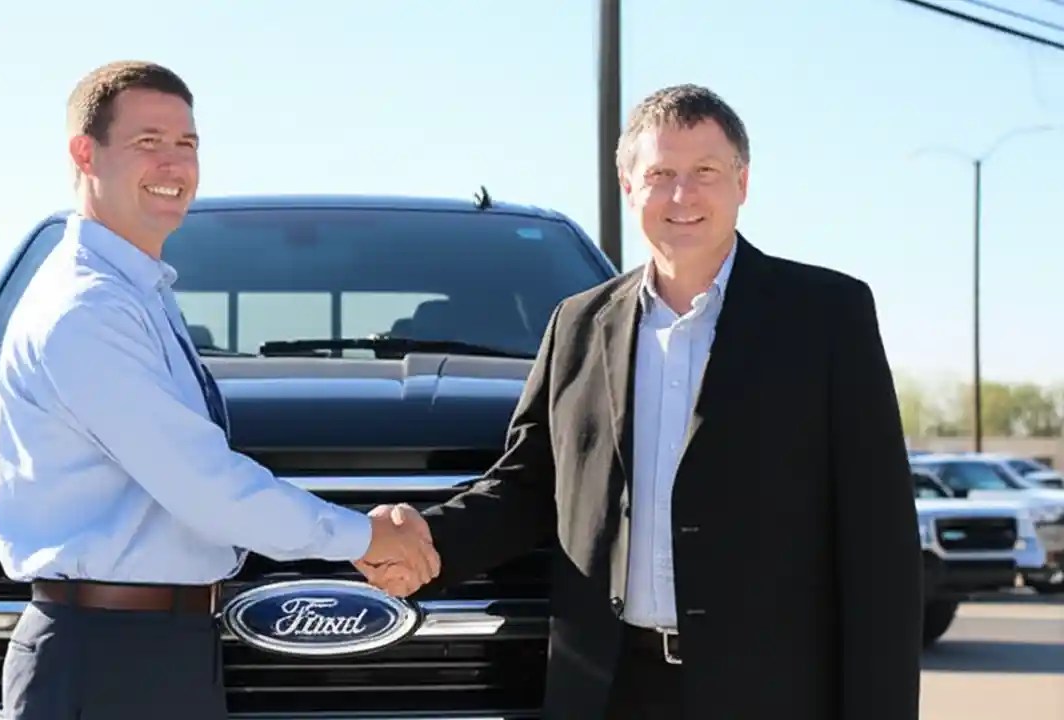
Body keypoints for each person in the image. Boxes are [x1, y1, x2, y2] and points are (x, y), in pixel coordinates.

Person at [357, 84, 922, 720]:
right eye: (660, 174)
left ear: (743, 181)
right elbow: (527, 489)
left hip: (773, 693)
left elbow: (881, 545)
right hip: (608, 688)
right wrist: (428, 539)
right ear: (628, 186)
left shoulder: (826, 316)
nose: (683, 195)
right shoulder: (577, 325)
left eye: (705, 171)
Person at [0, 60, 439, 720]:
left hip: (161, 648)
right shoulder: (85, 310)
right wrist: (364, 537)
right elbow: (202, 483)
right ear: (85, 153)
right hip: (106, 660)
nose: (174, 164)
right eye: (148, 142)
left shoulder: (139, 294)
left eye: (187, 144)